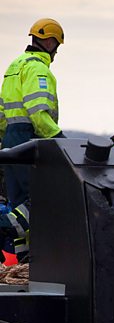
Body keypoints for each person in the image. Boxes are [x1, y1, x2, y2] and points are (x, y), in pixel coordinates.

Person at [0, 18, 66, 262]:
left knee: (19, 203)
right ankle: (3, 224)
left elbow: (1, 113)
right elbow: (38, 112)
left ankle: (27, 260)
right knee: (42, 199)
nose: (56, 51)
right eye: (56, 46)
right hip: (30, 140)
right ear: (49, 42)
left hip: (10, 142)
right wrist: (59, 139)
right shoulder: (39, 69)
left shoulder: (14, 66)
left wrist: (4, 146)